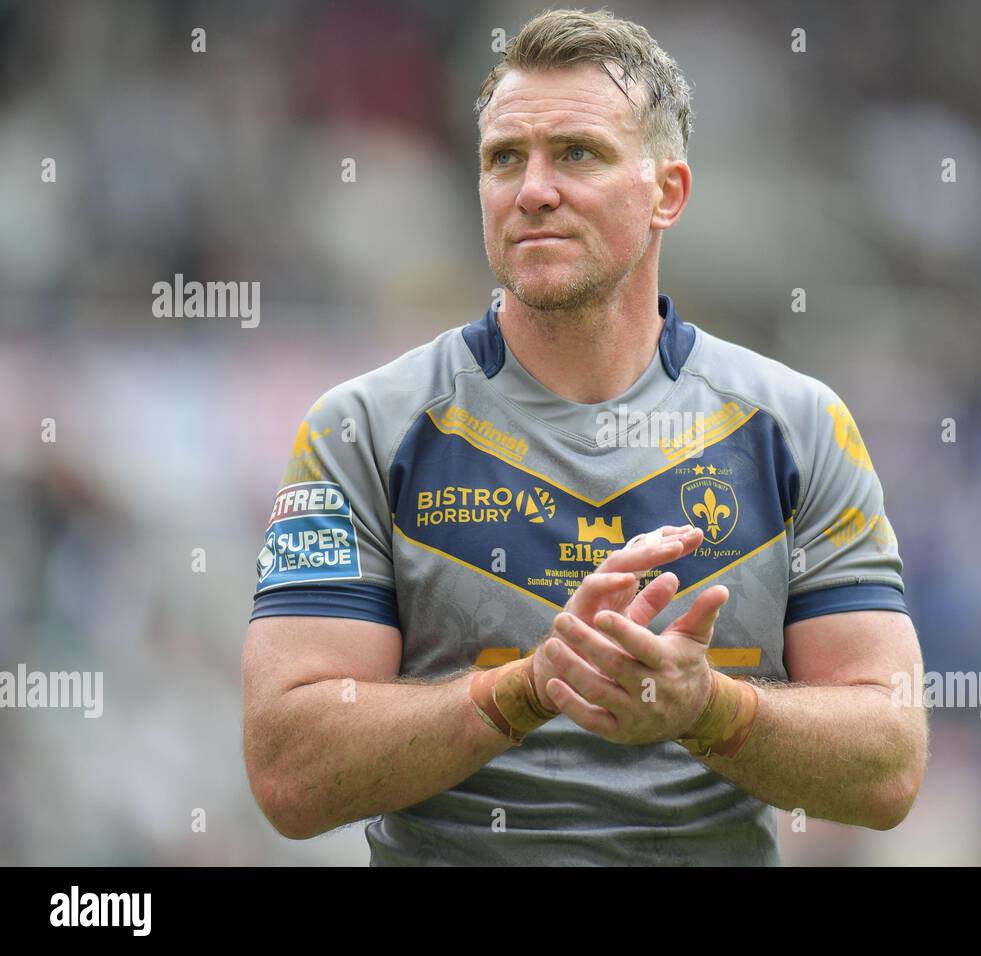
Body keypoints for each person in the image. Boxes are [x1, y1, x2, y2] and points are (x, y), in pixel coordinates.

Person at [241, 8, 927, 866]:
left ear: (667, 193)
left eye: (576, 153)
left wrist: (708, 709)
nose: (533, 188)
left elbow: (890, 764)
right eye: (504, 159)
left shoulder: (797, 426)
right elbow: (288, 777)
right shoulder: (361, 429)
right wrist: (525, 691)